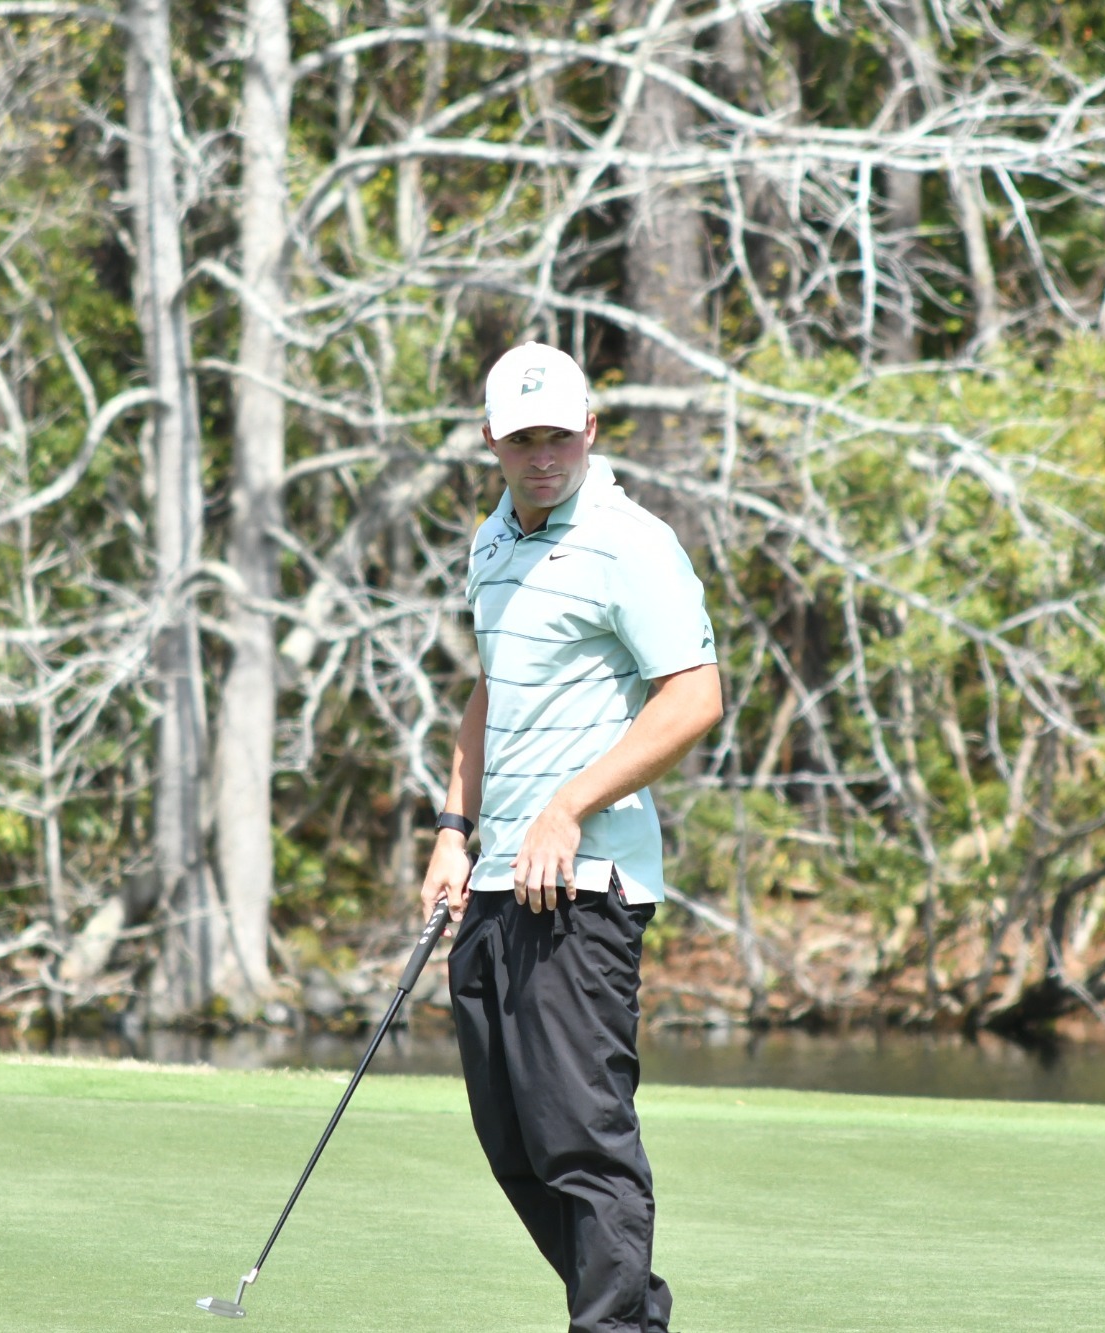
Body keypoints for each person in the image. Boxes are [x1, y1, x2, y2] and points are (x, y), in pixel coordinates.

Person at [419, 342, 722, 1333]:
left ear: (590, 430)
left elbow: (694, 696)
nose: (542, 457)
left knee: (582, 1142)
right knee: (513, 1144)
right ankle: (633, 1318)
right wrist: (453, 828)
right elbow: (491, 689)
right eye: (522, 441)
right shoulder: (491, 543)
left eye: (558, 436)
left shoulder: (631, 543)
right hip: (495, 882)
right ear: (491, 442)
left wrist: (568, 804)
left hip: (583, 887)